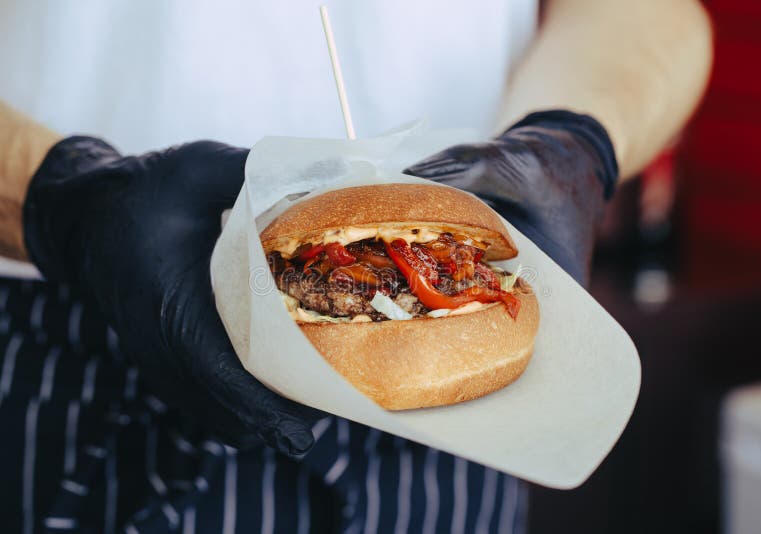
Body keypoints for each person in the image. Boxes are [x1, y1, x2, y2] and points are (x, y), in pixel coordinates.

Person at [0, 1, 711, 532]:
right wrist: (65, 201)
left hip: (457, 427)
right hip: (85, 346)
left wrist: (571, 140)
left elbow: (652, 15)